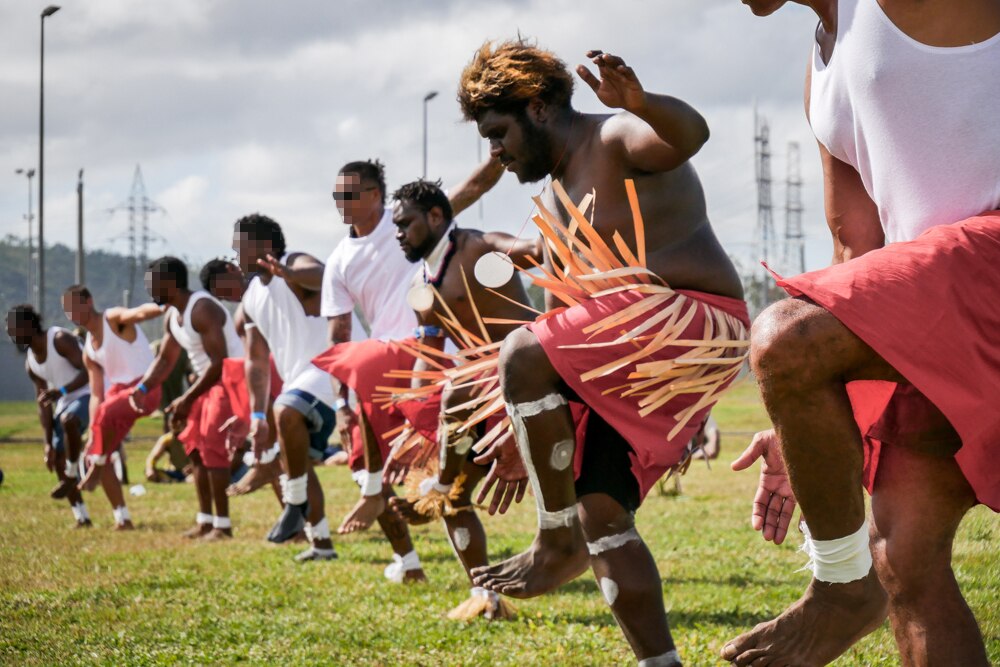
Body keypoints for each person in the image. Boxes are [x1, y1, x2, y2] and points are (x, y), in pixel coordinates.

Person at [722, 2, 1000, 666]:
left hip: (985, 262)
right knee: (902, 556)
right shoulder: (821, 68)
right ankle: (856, 582)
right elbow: (855, 251)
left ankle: (840, 588)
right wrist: (806, 415)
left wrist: (799, 362)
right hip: (935, 309)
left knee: (785, 335)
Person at [458, 41, 750, 666]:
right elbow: (563, 329)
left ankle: (554, 538)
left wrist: (642, 104)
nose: (495, 152)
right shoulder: (556, 199)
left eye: (499, 133)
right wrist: (529, 429)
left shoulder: (615, 136)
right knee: (603, 515)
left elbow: (691, 134)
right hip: (635, 352)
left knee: (518, 352)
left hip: (693, 321)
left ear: (538, 108)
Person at [312, 156, 502, 583]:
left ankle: (483, 580)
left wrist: (500, 152)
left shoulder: (410, 221)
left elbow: (474, 186)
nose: (340, 203)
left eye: (349, 194)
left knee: (447, 478)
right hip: (384, 373)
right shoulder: (339, 260)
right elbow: (338, 337)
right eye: (336, 196)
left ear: (375, 195)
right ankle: (409, 563)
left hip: (435, 359)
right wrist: (341, 404)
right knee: (365, 468)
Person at [385, 178, 541, 619]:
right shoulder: (422, 284)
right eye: (396, 227)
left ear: (436, 216)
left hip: (530, 377)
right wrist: (415, 421)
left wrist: (564, 234)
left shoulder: (478, 249)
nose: (399, 234)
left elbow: (531, 249)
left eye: (405, 224)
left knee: (457, 387)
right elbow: (429, 355)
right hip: (477, 394)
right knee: (455, 497)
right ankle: (485, 597)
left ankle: (438, 481)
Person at [232, 213, 340, 562]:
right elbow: (256, 360)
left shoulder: (296, 263)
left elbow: (325, 275)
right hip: (300, 381)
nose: (235, 254)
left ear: (264, 246)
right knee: (298, 461)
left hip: (332, 368)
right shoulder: (251, 297)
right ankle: (321, 544)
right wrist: (257, 416)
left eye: (241, 247)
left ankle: (294, 503)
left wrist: (288, 273)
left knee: (288, 411)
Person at [130, 256, 245, 541]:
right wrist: (142, 388)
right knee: (194, 449)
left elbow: (219, 362)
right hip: (207, 385)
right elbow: (165, 359)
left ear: (171, 282)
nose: (150, 290)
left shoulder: (202, 308)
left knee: (213, 450)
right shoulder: (172, 315)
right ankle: (205, 521)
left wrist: (186, 399)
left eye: (153, 284)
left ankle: (223, 525)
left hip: (229, 381)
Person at [62, 285, 163, 530]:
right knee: (96, 450)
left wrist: (164, 305)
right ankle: (122, 518)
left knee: (105, 416)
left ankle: (96, 466)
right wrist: (92, 432)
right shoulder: (88, 351)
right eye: (67, 310)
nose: (72, 313)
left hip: (145, 388)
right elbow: (96, 394)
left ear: (89, 301)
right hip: (118, 395)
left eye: (75, 306)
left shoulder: (113, 319)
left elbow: (140, 313)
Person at [6, 304, 92, 527]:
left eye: (13, 328)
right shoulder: (31, 363)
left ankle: (72, 475)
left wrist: (62, 391)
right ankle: (81, 517)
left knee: (69, 420)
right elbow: (43, 404)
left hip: (90, 393)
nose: (10, 334)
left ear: (28, 324)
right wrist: (47, 444)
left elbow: (89, 371)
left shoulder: (60, 339)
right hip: (65, 401)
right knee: (57, 457)